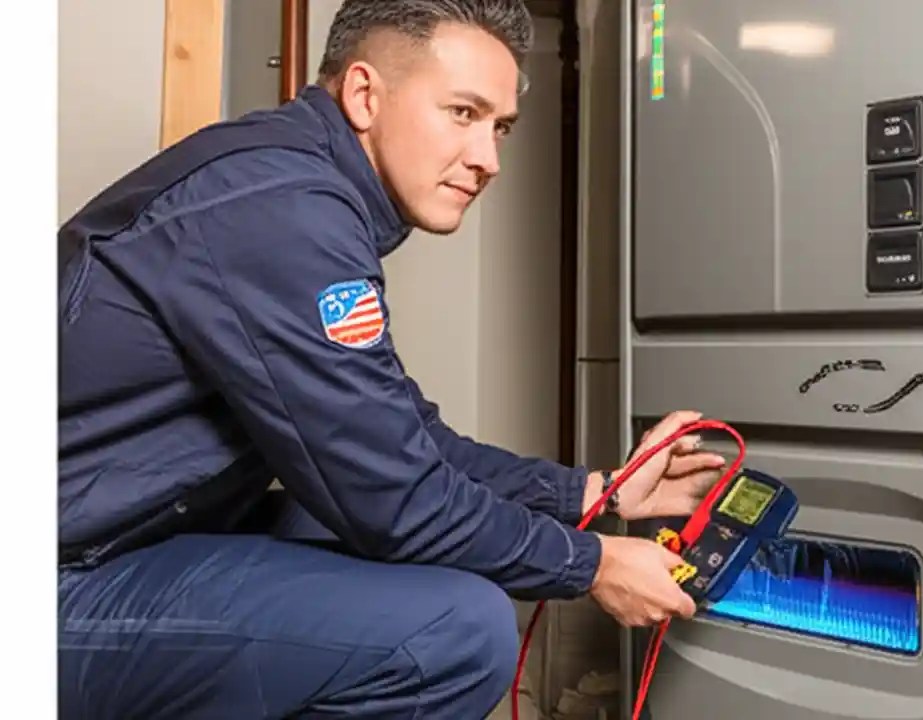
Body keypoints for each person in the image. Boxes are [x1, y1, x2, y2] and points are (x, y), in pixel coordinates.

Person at [56, 0, 728, 717]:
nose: (489, 159)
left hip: (116, 535)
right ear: (364, 95)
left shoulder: (293, 184)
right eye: (463, 113)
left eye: (500, 126)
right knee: (457, 631)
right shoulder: (285, 210)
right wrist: (591, 564)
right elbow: (394, 496)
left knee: (343, 526)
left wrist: (596, 493)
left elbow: (404, 441)